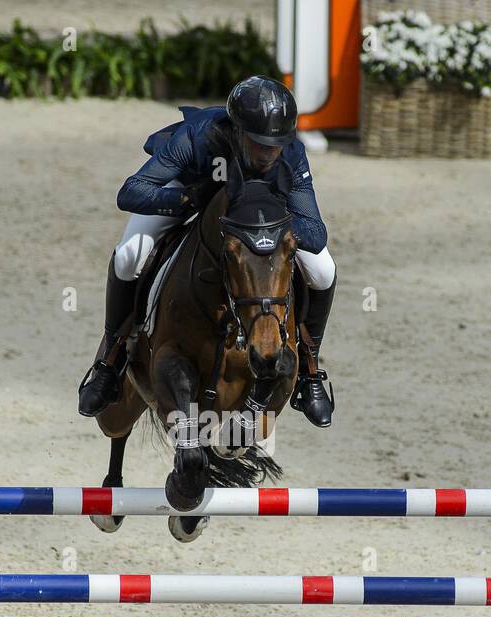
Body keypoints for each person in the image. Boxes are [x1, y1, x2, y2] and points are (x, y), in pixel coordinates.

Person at [77, 76, 336, 427]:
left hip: (258, 217)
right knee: (129, 257)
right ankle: (111, 359)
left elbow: (315, 233)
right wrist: (186, 198)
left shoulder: (289, 151)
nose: (268, 155)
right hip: (188, 195)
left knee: (323, 270)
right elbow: (131, 192)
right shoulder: (199, 137)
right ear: (238, 130)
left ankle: (309, 367)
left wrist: (278, 226)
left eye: (275, 145)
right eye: (259, 145)